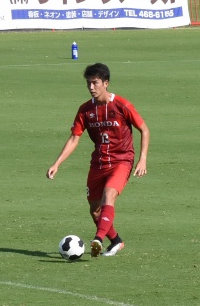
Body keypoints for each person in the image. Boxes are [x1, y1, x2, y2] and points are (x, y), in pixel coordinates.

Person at [46, 63, 149, 258]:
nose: (91, 87)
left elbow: (144, 129)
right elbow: (74, 138)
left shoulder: (122, 105)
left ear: (106, 83)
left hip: (122, 160)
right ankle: (116, 241)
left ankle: (98, 240)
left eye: (95, 83)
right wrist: (56, 163)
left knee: (109, 195)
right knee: (95, 211)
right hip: (98, 163)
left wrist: (142, 159)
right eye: (88, 83)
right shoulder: (85, 110)